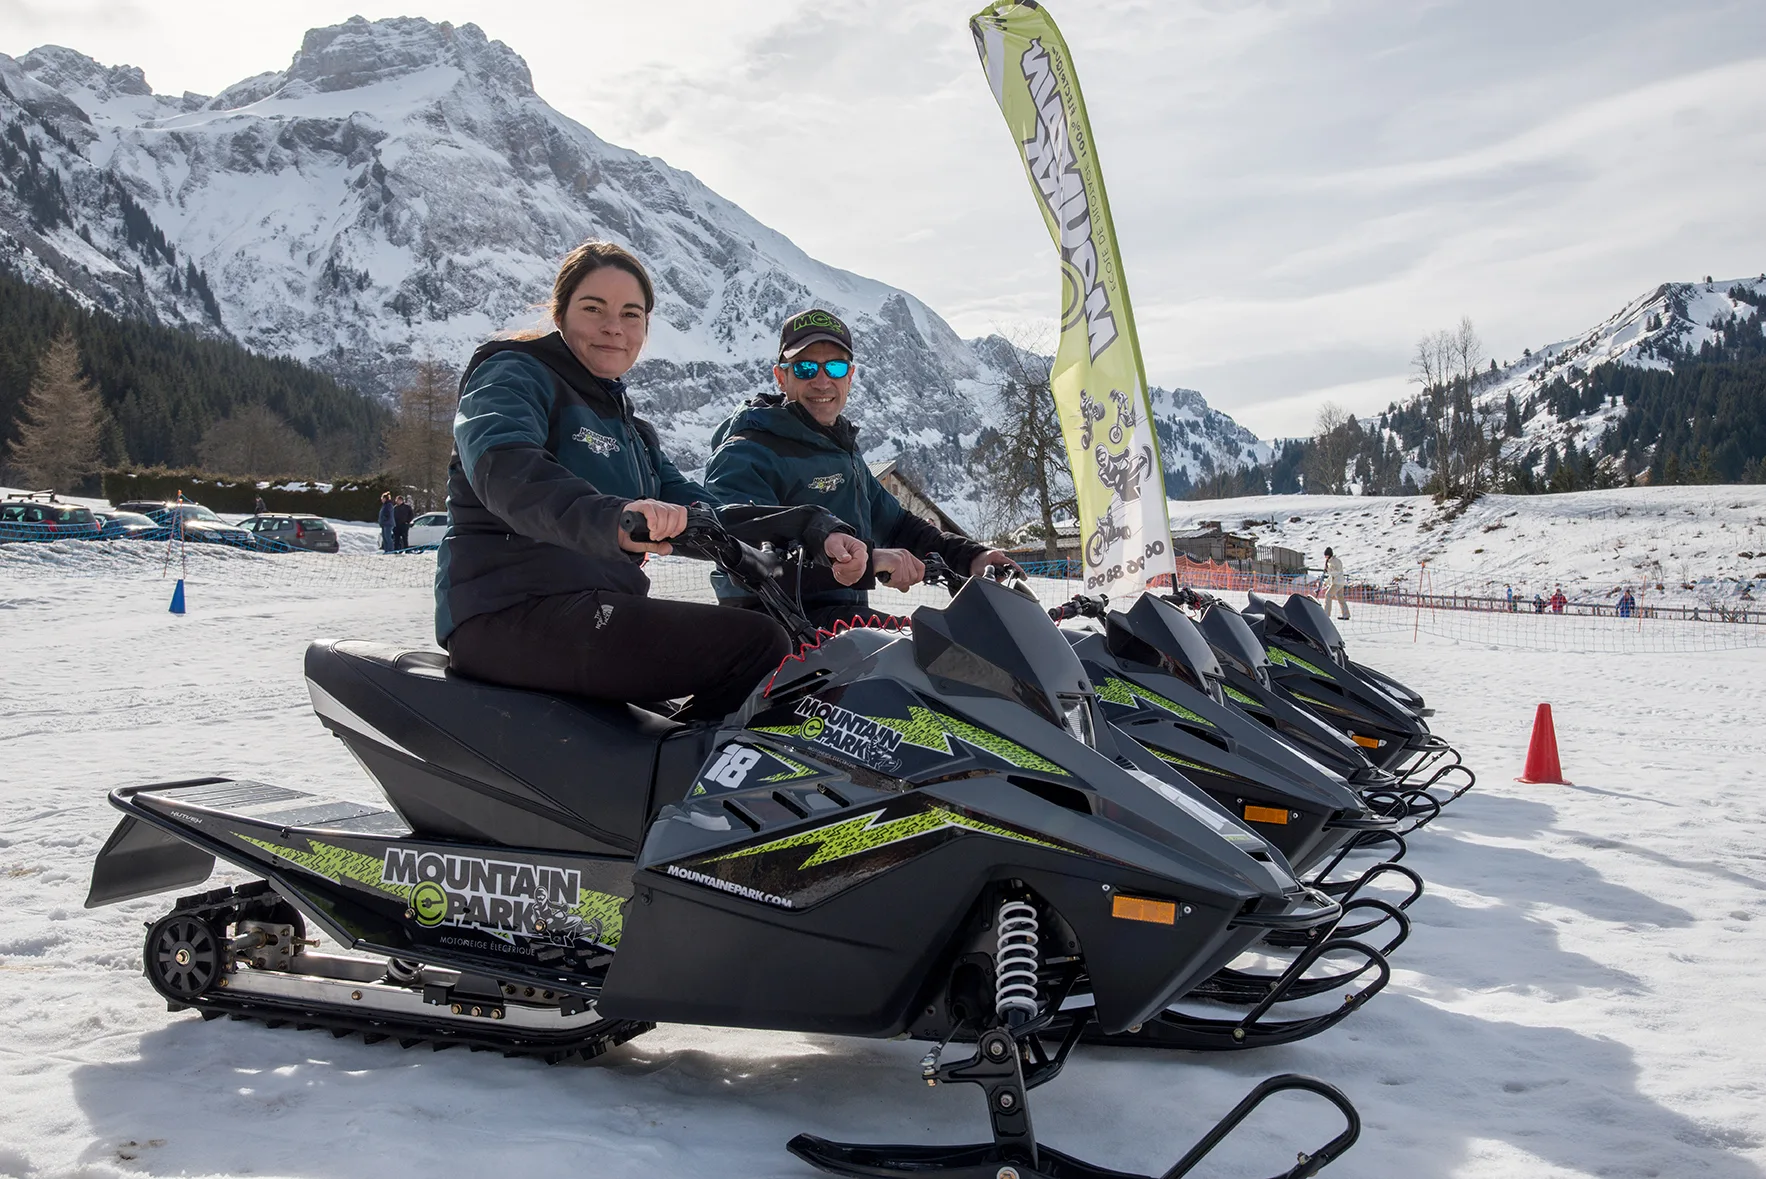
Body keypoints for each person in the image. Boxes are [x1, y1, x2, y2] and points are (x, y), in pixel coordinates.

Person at [436, 240, 868, 721]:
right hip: (509, 612)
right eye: (594, 308)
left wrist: (812, 527)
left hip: (588, 612)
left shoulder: (631, 433)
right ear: (560, 314)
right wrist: (614, 519)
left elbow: (708, 513)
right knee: (756, 644)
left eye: (631, 314)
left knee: (708, 701)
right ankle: (686, 795)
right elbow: (507, 469)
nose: (613, 327)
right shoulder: (513, 373)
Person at [703, 307, 1016, 629]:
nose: (822, 381)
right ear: (782, 377)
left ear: (849, 376)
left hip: (838, 622)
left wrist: (972, 557)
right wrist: (868, 562)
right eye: (806, 367)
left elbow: (897, 526)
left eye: (835, 367)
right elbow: (740, 557)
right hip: (772, 627)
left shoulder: (840, 452)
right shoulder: (746, 453)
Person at [1321, 546, 1349, 620]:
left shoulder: (1335, 561)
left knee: (1328, 595)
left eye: (1326, 555)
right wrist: (1326, 583)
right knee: (1340, 598)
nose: (1325, 557)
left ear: (1330, 554)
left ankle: (1326, 614)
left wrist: (1328, 570)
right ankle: (1346, 615)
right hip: (1339, 582)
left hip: (1337, 582)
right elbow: (1332, 575)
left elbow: (1337, 572)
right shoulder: (1330, 561)